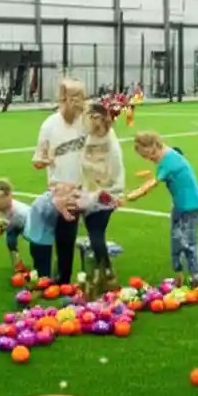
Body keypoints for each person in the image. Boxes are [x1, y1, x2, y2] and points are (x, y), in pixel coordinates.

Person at [125, 132, 198, 287]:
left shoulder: (168, 162)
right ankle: (179, 275)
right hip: (179, 204)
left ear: (155, 146)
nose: (150, 159)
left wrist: (130, 196)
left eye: (150, 155)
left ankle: (196, 276)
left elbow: (152, 184)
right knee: (175, 239)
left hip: (190, 206)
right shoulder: (169, 153)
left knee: (187, 240)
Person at [34, 78, 89, 285]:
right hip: (63, 190)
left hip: (88, 185)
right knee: (65, 235)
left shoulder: (88, 122)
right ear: (63, 100)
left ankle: (97, 277)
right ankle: (62, 279)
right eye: (72, 98)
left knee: (95, 233)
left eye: (80, 98)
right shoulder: (49, 124)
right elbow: (38, 158)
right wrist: (43, 160)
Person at [78, 101, 126, 296]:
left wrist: (110, 190)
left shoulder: (99, 140)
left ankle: (104, 273)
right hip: (100, 192)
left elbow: (111, 166)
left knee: (95, 232)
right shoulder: (103, 136)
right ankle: (105, 272)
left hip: (100, 193)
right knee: (96, 233)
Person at [0, 179, 31, 272]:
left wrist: (5, 226)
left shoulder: (20, 212)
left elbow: (14, 224)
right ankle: (17, 263)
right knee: (10, 238)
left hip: (30, 227)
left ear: (8, 196)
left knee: (36, 247)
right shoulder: (3, 206)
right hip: (18, 224)